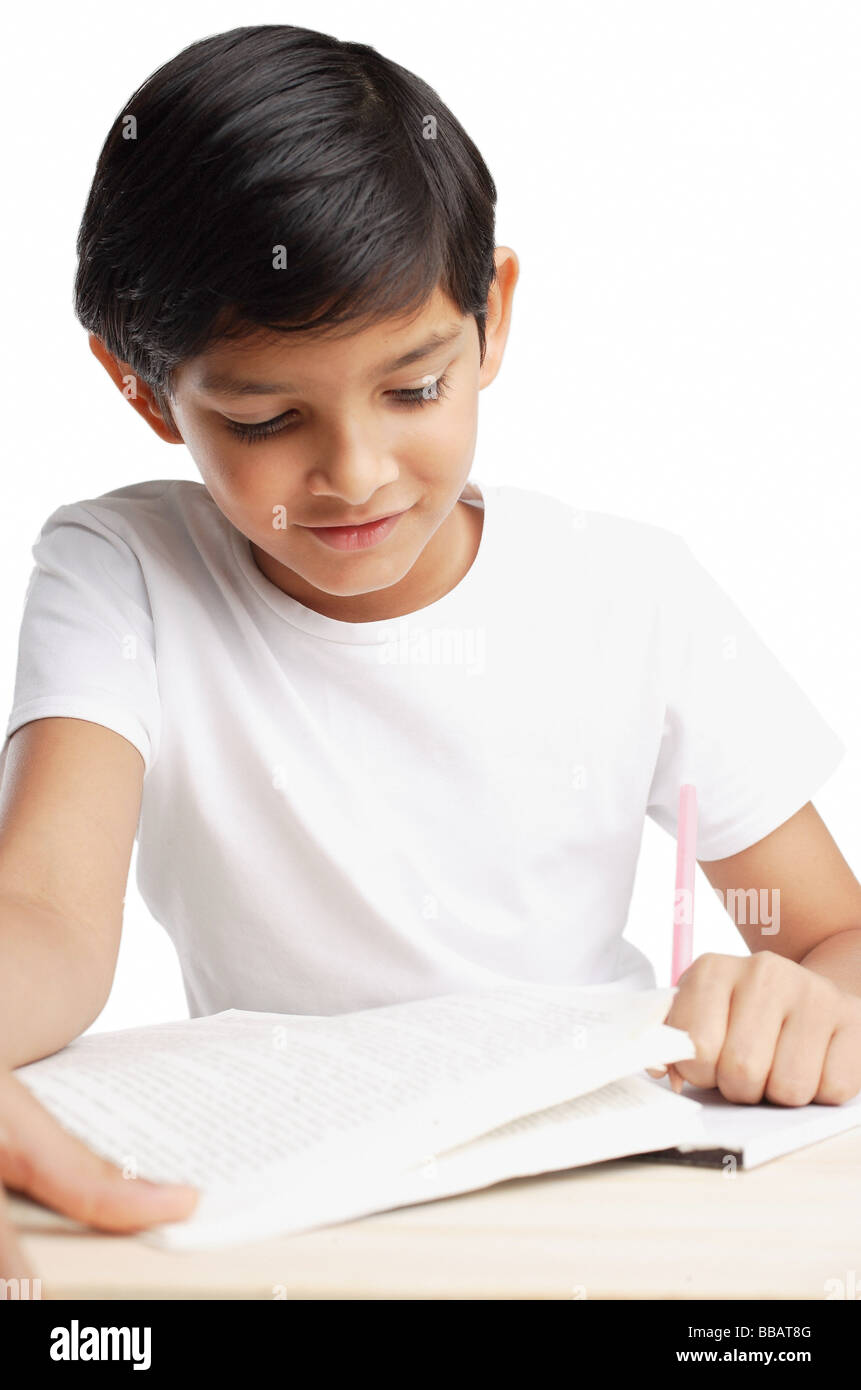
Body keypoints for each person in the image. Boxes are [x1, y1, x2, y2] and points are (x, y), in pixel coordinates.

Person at [2, 23, 861, 1284]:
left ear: (492, 316)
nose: (354, 476)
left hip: (595, 1189)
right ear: (144, 392)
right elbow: (47, 912)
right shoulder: (122, 569)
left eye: (413, 389)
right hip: (298, 1211)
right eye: (265, 417)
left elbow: (826, 930)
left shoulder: (631, 594)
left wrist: (809, 998)